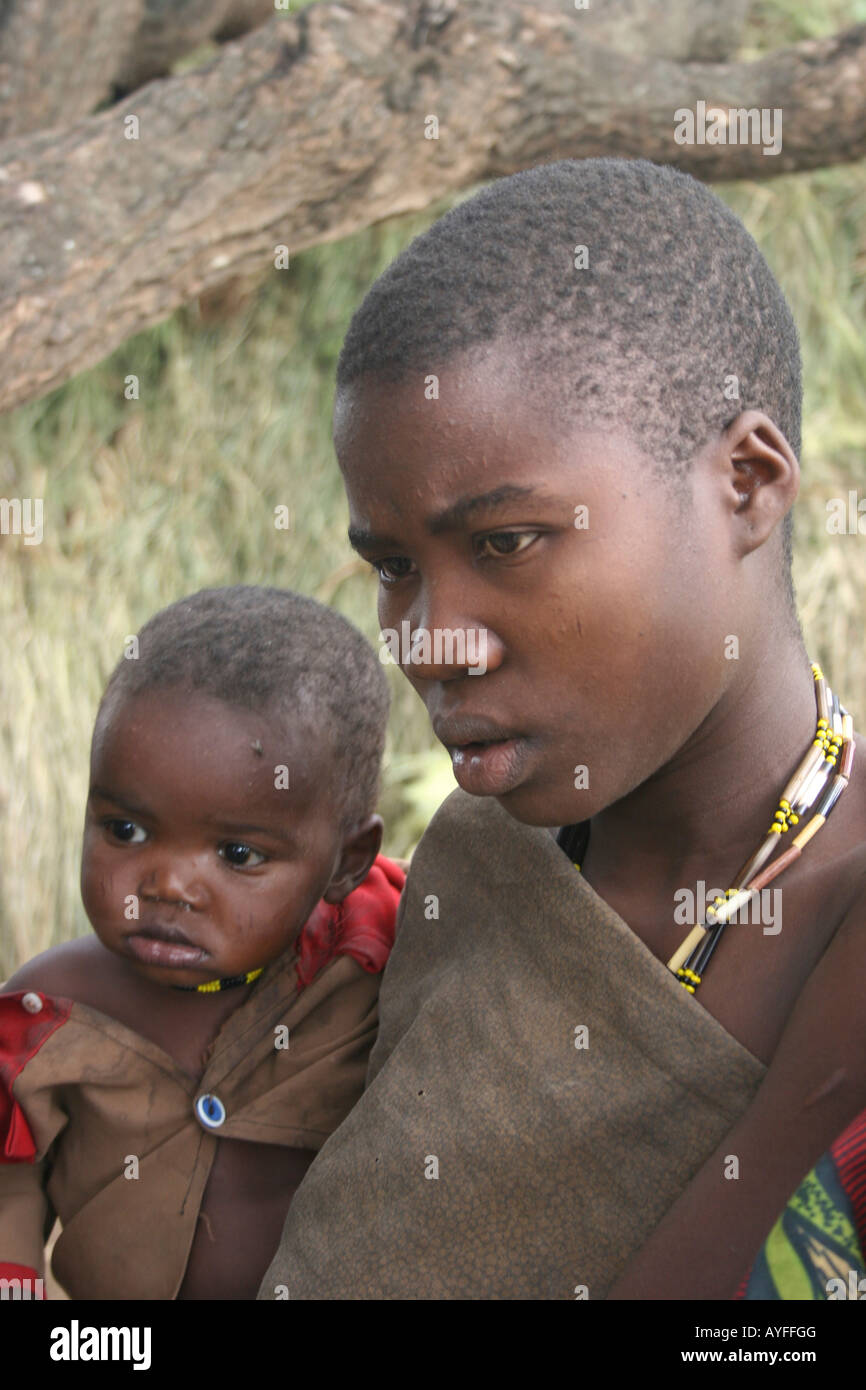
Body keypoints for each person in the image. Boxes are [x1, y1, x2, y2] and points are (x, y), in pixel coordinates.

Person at [259, 158, 866, 1301]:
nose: (431, 643)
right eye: (393, 567)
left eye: (505, 544)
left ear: (744, 481)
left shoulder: (837, 924)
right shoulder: (478, 857)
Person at [0, 585, 405, 1299]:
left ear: (345, 862)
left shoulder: (372, 966)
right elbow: (9, 1194)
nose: (167, 887)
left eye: (239, 855)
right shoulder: (46, 1016)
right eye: (126, 829)